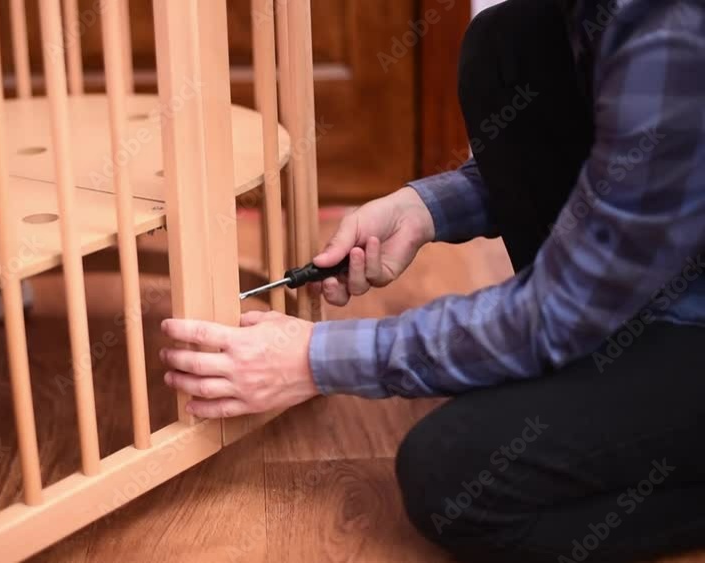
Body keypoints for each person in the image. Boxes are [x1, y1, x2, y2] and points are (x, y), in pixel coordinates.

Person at [158, 0, 705, 561]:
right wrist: (424, 210)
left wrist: (313, 360)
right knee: (509, 42)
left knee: (452, 477)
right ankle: (611, 376)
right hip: (655, 279)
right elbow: (626, 174)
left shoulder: (669, 28)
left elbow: (565, 307)